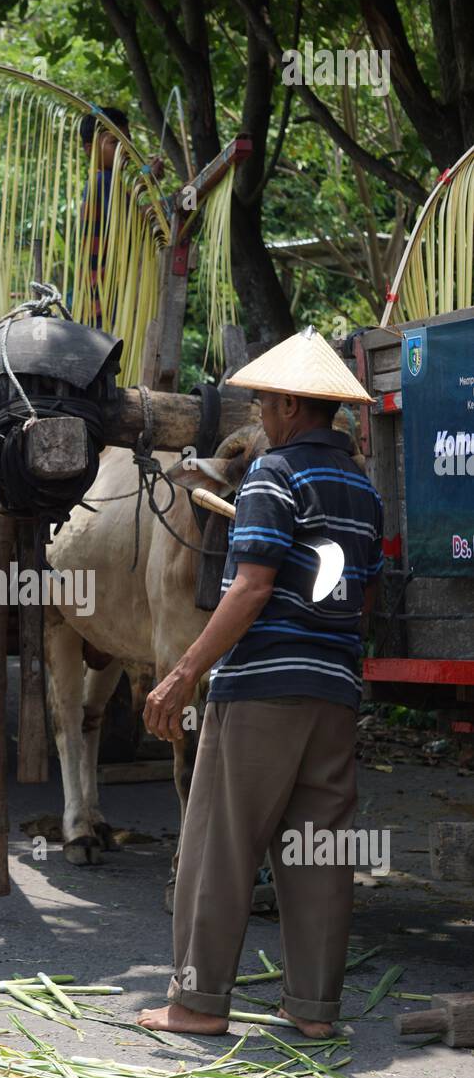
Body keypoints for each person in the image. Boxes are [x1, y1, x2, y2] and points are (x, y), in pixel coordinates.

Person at [137, 326, 381, 1040]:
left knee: (220, 841)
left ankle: (196, 1002)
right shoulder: (361, 489)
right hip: (334, 691)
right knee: (318, 850)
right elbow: (359, 594)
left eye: (266, 403)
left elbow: (250, 588)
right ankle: (313, 1012)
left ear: (290, 407)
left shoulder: (277, 476)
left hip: (262, 692)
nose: (261, 415)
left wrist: (184, 674)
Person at [78, 107, 163, 326]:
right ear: (90, 150)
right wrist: (184, 197)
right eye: (114, 143)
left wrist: (147, 178)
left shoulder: (111, 183)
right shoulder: (102, 182)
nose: (125, 149)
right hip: (107, 300)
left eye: (128, 141)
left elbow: (130, 208)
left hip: (104, 299)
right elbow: (134, 222)